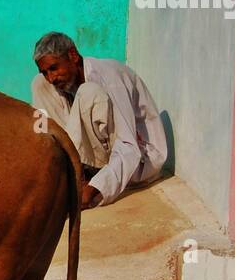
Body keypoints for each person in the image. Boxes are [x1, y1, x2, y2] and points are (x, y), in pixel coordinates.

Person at [30, 32, 167, 209]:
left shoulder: (108, 78)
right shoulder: (56, 81)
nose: (51, 78)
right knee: (38, 84)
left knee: (88, 93)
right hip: (98, 158)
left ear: (73, 55)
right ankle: (52, 167)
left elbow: (128, 146)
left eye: (54, 68)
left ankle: (79, 178)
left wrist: (93, 190)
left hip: (139, 160)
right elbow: (47, 119)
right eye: (45, 72)